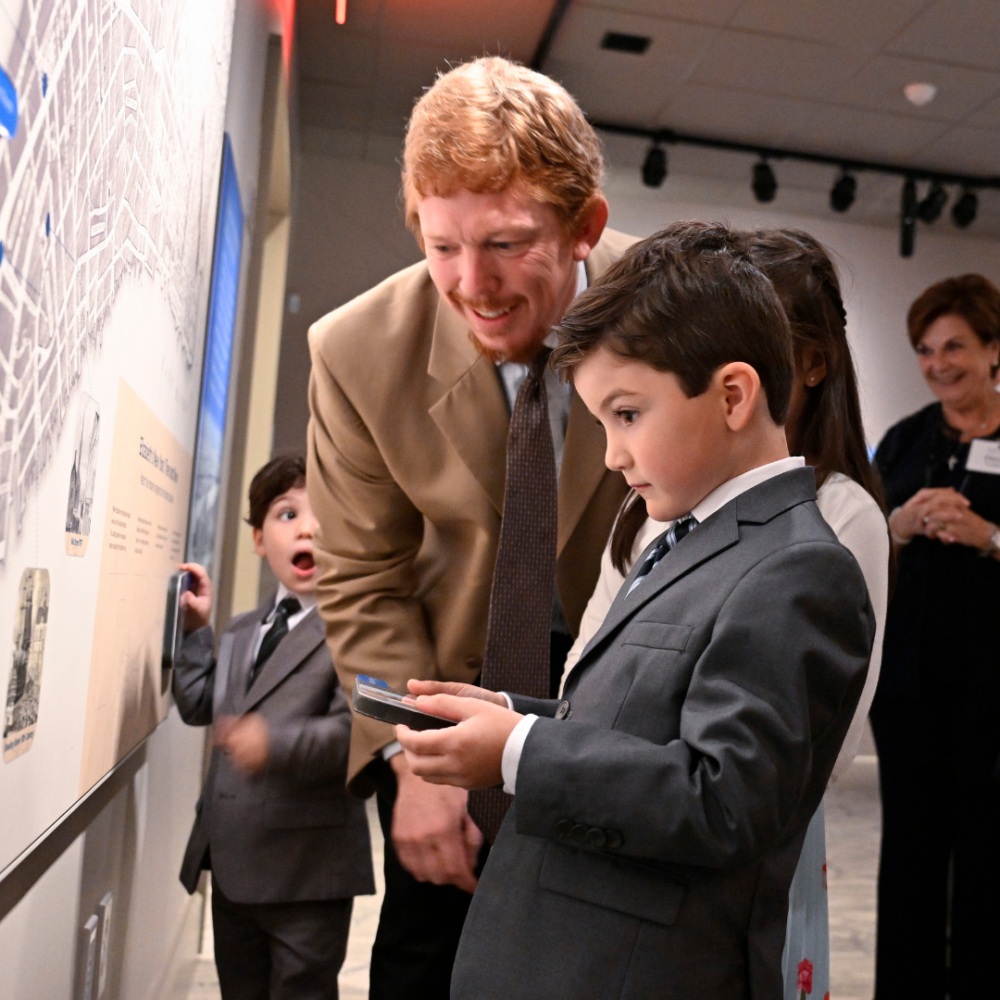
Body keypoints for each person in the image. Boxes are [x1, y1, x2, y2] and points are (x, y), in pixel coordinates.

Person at [395, 222, 875, 1000]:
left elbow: (722, 800)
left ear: (732, 396)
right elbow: (637, 722)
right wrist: (516, 717)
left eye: (626, 415)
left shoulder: (798, 570)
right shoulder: (687, 538)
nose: (614, 455)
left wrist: (519, 751)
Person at [306, 57, 632, 997]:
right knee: (432, 961)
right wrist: (412, 755)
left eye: (506, 243)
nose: (471, 283)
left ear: (585, 227)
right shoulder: (355, 349)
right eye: (441, 244)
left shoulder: (675, 307)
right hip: (444, 691)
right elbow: (361, 577)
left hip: (625, 699)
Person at [561, 228, 890, 1000]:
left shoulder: (837, 518)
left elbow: (813, 747)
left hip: (732, 846)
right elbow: (587, 671)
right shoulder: (654, 506)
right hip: (628, 821)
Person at [173, 455, 374, 1000]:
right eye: (288, 514)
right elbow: (200, 705)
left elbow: (355, 734)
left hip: (308, 871)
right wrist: (196, 631)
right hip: (234, 865)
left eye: (324, 515)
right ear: (260, 539)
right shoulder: (241, 630)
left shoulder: (359, 632)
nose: (307, 528)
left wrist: (274, 743)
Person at [870, 274, 1000, 1000]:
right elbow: (861, 538)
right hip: (910, 689)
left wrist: (990, 536)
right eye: (925, 349)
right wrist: (898, 525)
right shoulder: (905, 440)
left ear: (993, 350)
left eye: (954, 346)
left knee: (986, 853)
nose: (938, 364)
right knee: (911, 852)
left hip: (992, 691)